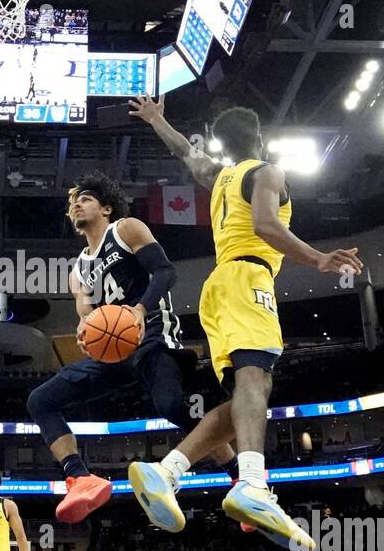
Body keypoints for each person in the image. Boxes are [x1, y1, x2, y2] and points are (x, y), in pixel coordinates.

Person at [126, 97, 360, 543]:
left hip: (218, 288)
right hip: (249, 277)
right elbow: (267, 226)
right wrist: (318, 259)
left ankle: (167, 471)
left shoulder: (219, 177)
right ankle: (253, 483)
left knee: (240, 402)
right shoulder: (267, 172)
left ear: (223, 143)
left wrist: (158, 120)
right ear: (259, 138)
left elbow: (183, 151)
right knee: (257, 384)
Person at [26, 171, 237, 525]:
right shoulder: (78, 268)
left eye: (86, 198)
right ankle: (81, 478)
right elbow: (86, 314)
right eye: (72, 202)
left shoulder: (126, 229)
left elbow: (165, 273)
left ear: (106, 207)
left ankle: (237, 475)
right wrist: (84, 331)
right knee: (40, 400)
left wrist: (138, 310)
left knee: (170, 406)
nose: (76, 203)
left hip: (151, 335)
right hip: (113, 353)